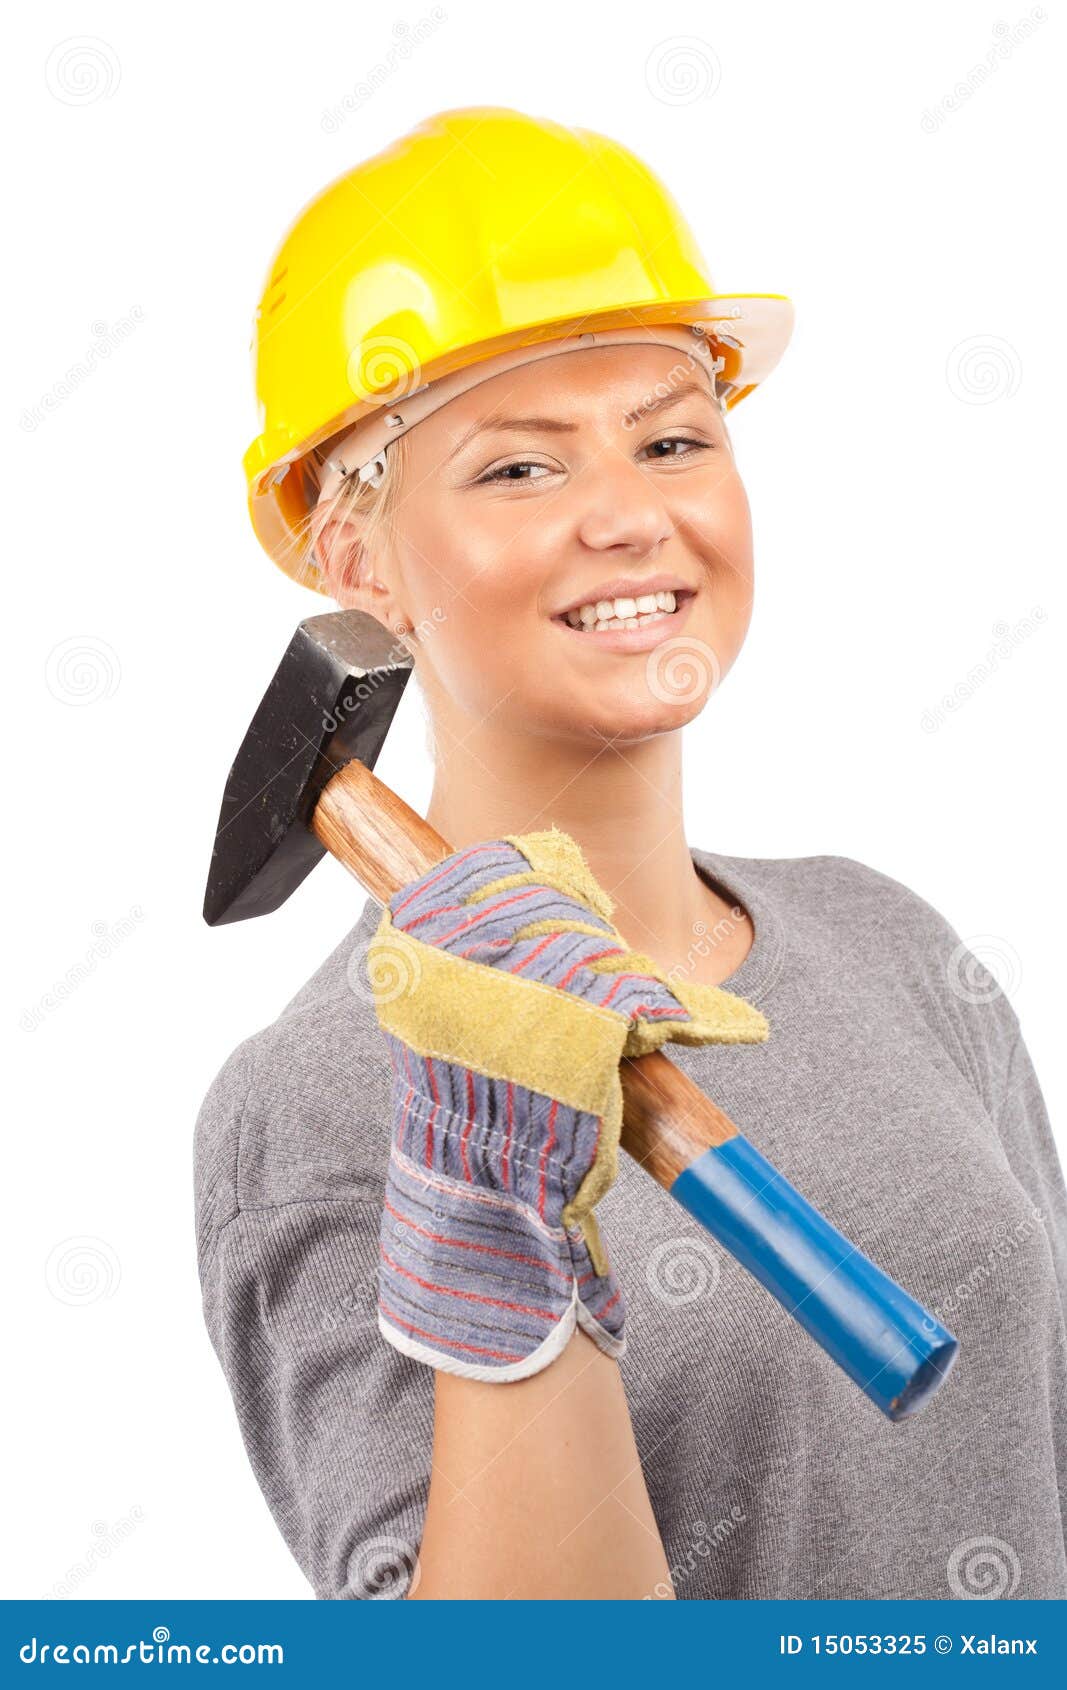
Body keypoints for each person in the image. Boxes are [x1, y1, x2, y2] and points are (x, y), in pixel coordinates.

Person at [194, 106, 1067, 1601]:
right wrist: (491, 1200)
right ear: (353, 560)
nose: (627, 514)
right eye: (521, 469)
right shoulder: (322, 1102)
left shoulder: (891, 939)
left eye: (673, 439)